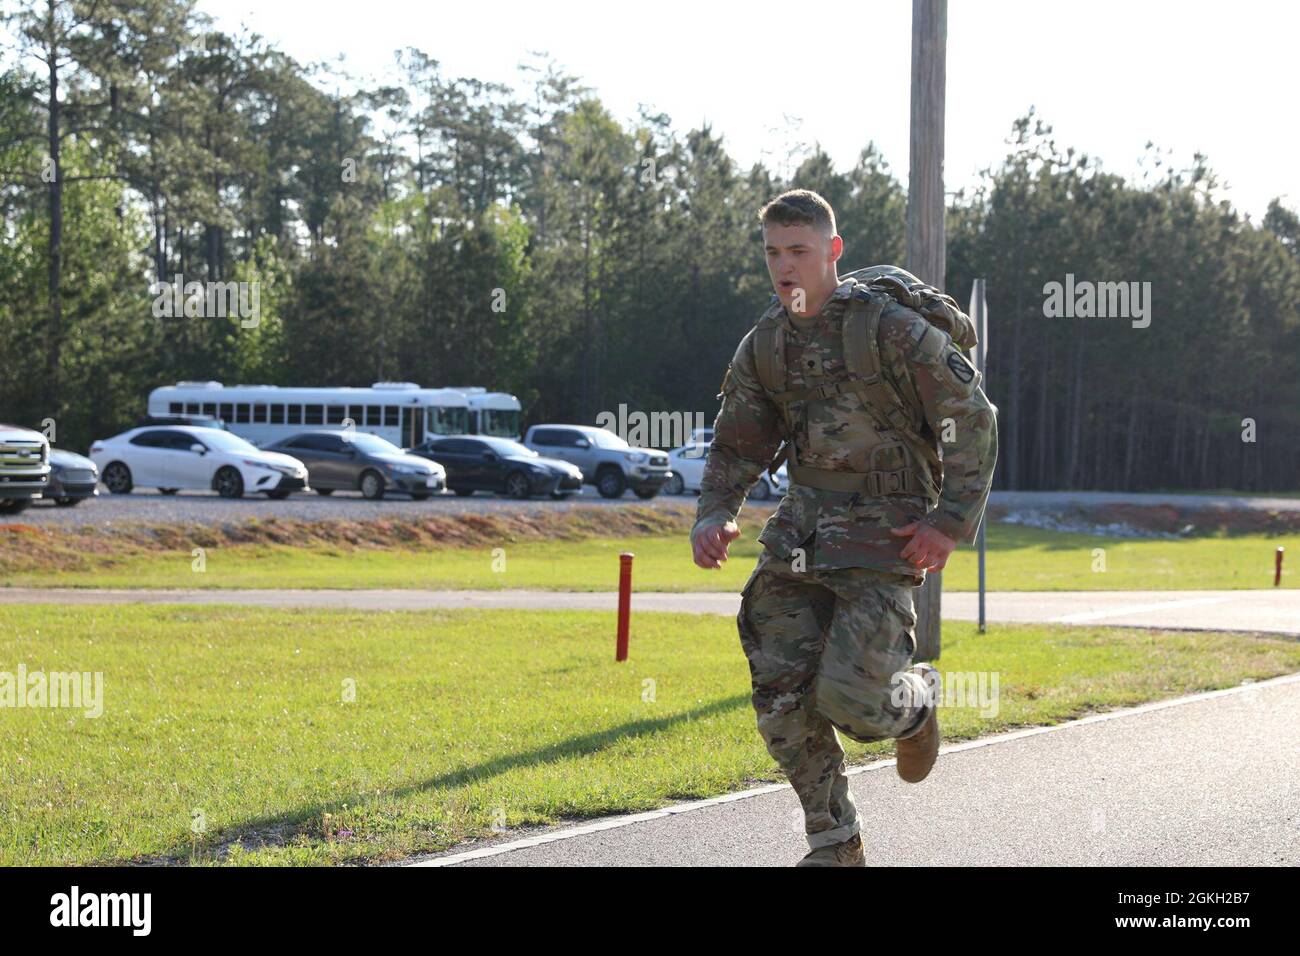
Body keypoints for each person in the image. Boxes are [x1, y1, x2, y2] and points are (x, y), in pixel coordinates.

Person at [691, 188, 997, 866]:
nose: (784, 267)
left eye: (798, 251)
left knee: (855, 704)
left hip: (886, 536)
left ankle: (914, 706)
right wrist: (716, 512)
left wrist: (949, 522)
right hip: (801, 535)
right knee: (780, 696)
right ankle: (835, 841)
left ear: (832, 251)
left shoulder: (889, 330)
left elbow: (971, 419)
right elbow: (738, 444)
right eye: (773, 252)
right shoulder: (767, 342)